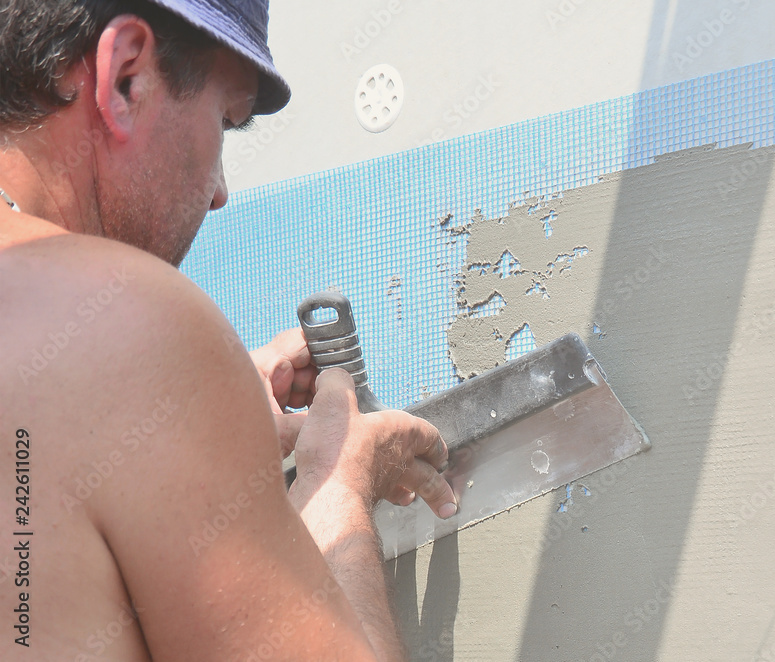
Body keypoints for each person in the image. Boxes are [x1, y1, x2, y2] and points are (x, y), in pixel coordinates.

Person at [0, 1, 458, 660]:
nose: (218, 191)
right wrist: (338, 486)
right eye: (227, 119)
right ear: (126, 75)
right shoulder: (133, 322)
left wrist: (194, 415)